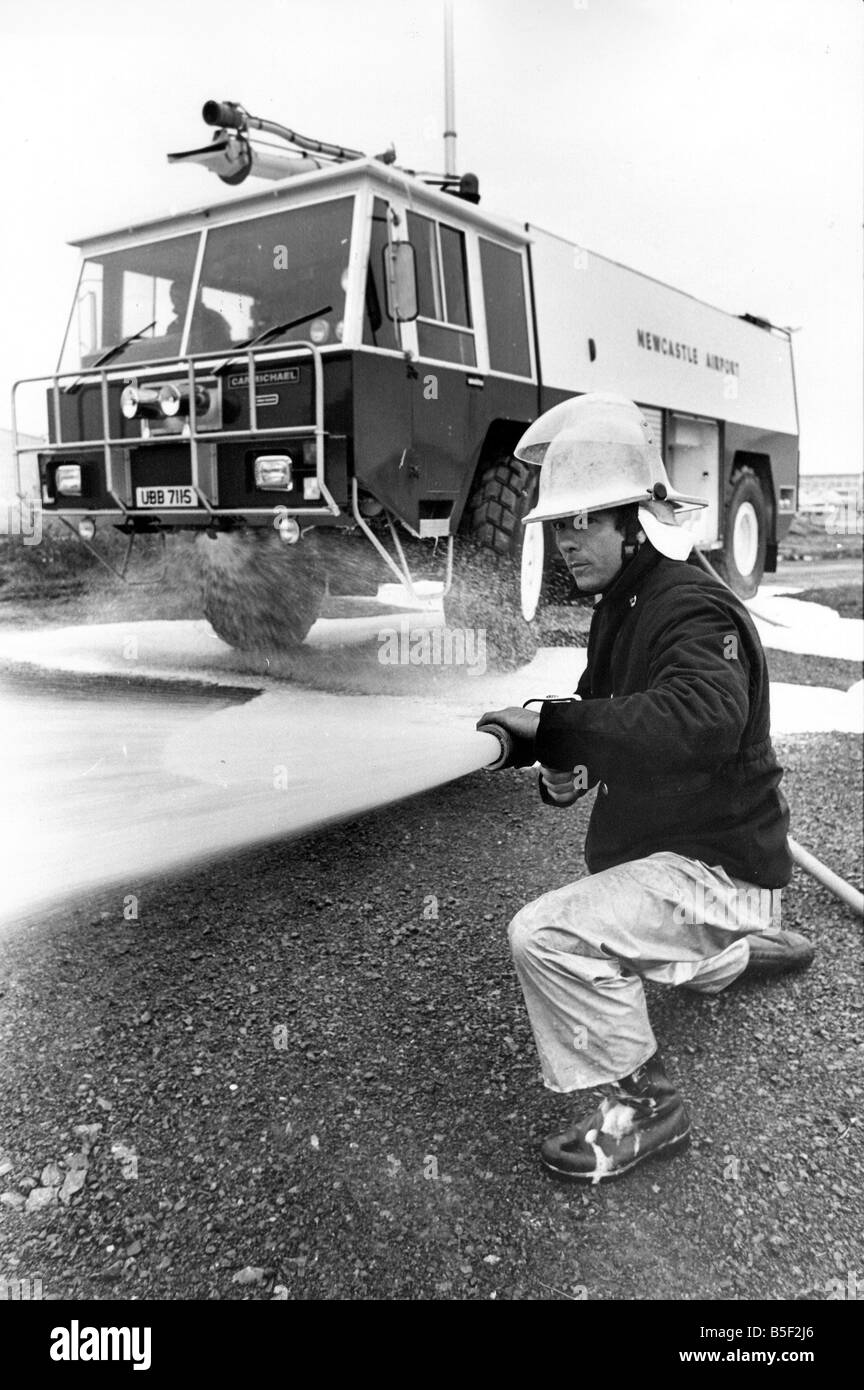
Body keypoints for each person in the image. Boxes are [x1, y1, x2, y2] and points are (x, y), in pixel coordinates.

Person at [477, 392, 814, 1185]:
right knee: (644, 925)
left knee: (545, 936)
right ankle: (732, 957)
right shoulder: (624, 605)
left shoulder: (691, 608)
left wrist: (555, 729)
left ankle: (645, 1108)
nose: (566, 541)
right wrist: (568, 768)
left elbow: (702, 721)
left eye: (583, 520)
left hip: (718, 874)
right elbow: (609, 721)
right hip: (690, 861)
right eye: (559, 524)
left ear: (635, 521)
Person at [167, 281, 233, 351]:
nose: (175, 301)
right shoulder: (173, 326)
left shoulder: (213, 319)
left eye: (179, 297)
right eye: (173, 296)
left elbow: (223, 349)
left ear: (191, 296)